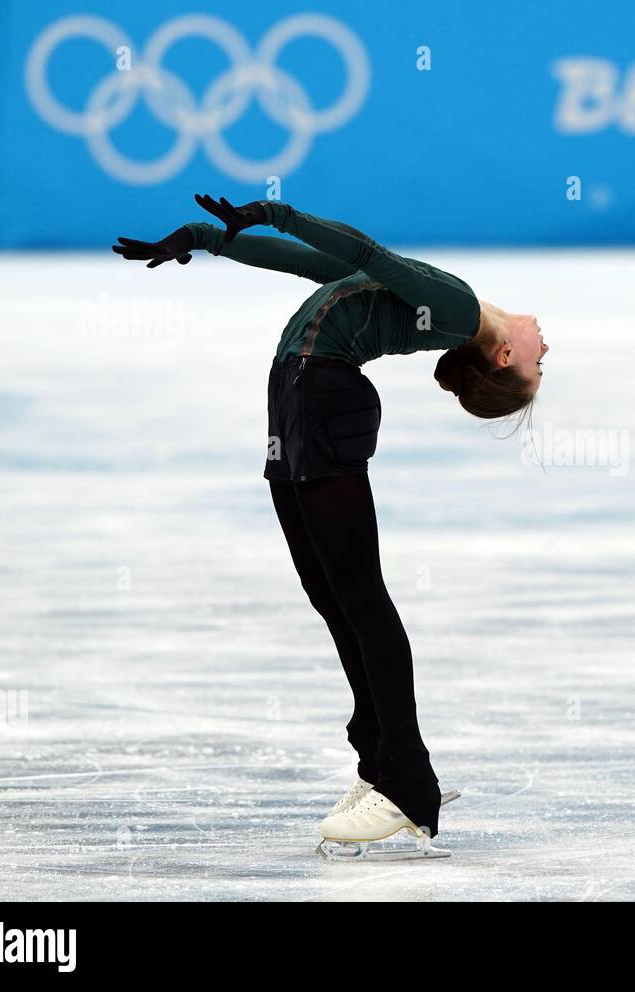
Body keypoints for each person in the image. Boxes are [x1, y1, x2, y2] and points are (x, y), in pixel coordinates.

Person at [113, 196, 549, 848]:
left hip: (324, 401)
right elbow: (320, 268)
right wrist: (208, 237)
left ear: (505, 357)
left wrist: (275, 212)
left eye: (540, 363)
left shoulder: (459, 310)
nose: (547, 348)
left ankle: (408, 781)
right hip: (297, 397)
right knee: (330, 595)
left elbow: (365, 253)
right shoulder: (457, 308)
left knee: (359, 597)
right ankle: (378, 764)